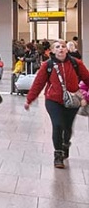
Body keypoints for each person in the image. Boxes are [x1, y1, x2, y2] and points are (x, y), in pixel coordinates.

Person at [24, 39, 89, 168]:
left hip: (72, 101)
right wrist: (29, 99)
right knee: (58, 125)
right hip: (53, 101)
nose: (61, 48)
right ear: (53, 51)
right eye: (57, 47)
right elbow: (38, 83)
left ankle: (65, 143)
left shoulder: (76, 63)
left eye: (63, 46)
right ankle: (58, 155)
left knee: (67, 127)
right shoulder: (47, 65)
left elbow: (87, 78)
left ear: (67, 49)